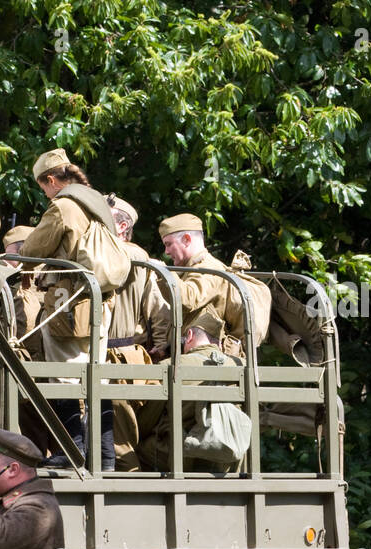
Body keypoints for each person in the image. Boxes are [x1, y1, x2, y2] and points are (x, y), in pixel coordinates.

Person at [19, 147, 116, 465]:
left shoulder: (63, 206)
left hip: (68, 305)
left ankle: (70, 451)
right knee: (96, 380)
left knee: (63, 380)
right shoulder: (97, 202)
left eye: (42, 188)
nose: (44, 195)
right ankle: (105, 456)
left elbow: (33, 248)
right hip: (100, 305)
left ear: (50, 180)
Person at [135, 307, 242, 471]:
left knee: (135, 448)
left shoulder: (170, 367)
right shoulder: (240, 367)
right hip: (224, 460)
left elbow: (146, 421)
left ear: (190, 336)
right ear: (219, 344)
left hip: (178, 456)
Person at [157, 213, 268, 358]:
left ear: (186, 239)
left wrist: (162, 272)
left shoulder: (209, 268)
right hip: (198, 358)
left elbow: (187, 299)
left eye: (168, 244)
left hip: (208, 362)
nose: (166, 251)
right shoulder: (193, 269)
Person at [107, 194, 171, 350]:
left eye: (105, 219)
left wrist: (160, 344)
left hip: (122, 349)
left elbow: (156, 305)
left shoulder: (137, 257)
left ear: (122, 226)